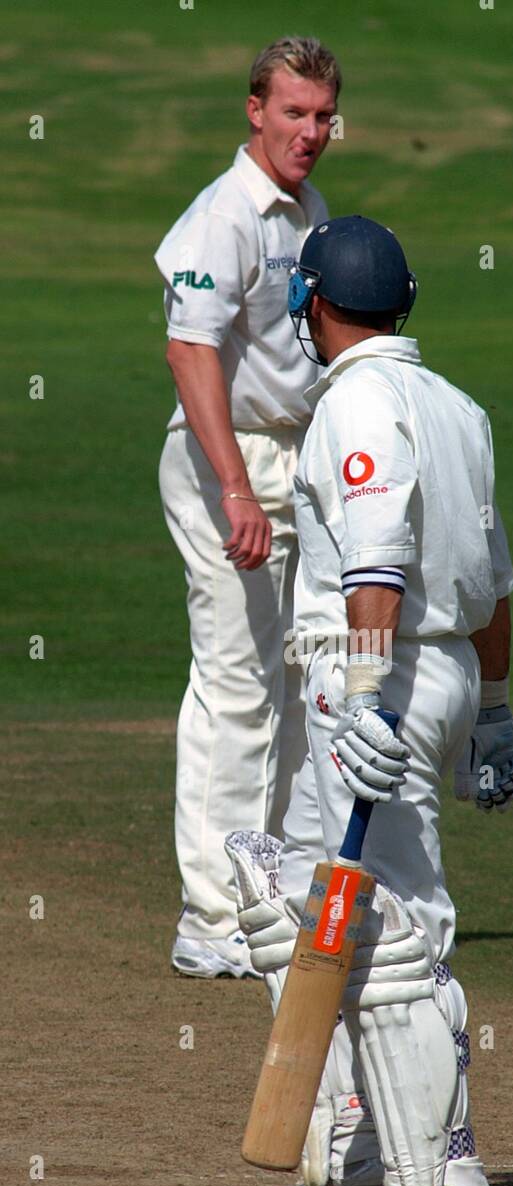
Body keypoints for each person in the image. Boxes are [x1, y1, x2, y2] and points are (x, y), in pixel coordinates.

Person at [227, 215, 513, 1186]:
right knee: (302, 898)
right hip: (438, 668)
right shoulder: (457, 406)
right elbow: (490, 583)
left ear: (312, 303)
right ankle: (356, 1135)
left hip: (373, 674)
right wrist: (490, 712)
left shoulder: (354, 404)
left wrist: (362, 700)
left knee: (401, 930)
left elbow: (376, 565)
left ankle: (444, 1185)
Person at [154, 37, 340, 978]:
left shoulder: (307, 212)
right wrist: (234, 485)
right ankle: (212, 918)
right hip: (229, 463)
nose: (309, 132)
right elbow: (191, 352)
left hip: (297, 465)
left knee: (301, 686)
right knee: (235, 686)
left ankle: (272, 896)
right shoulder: (225, 215)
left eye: (322, 116)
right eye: (293, 113)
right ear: (254, 111)